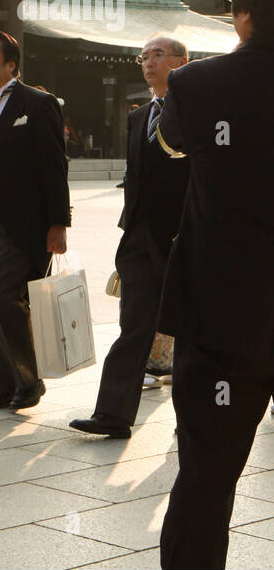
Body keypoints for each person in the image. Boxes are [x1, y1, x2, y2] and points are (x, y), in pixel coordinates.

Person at [159, 0, 274, 569]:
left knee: (207, 477)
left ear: (239, 6)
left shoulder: (198, 86)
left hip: (223, 317)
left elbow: (173, 144)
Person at [71, 36, 189, 439]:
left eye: (159, 55)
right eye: (144, 56)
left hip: (183, 238)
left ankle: (192, 416)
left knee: (190, 332)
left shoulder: (197, 110)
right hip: (139, 239)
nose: (149, 62)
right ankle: (113, 414)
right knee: (134, 326)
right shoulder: (139, 117)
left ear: (182, 61)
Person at [0, 30, 70, 411]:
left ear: (10, 65)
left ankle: (29, 382)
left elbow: (54, 166)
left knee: (4, 297)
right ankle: (2, 384)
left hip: (26, 225)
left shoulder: (38, 103)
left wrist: (58, 223)